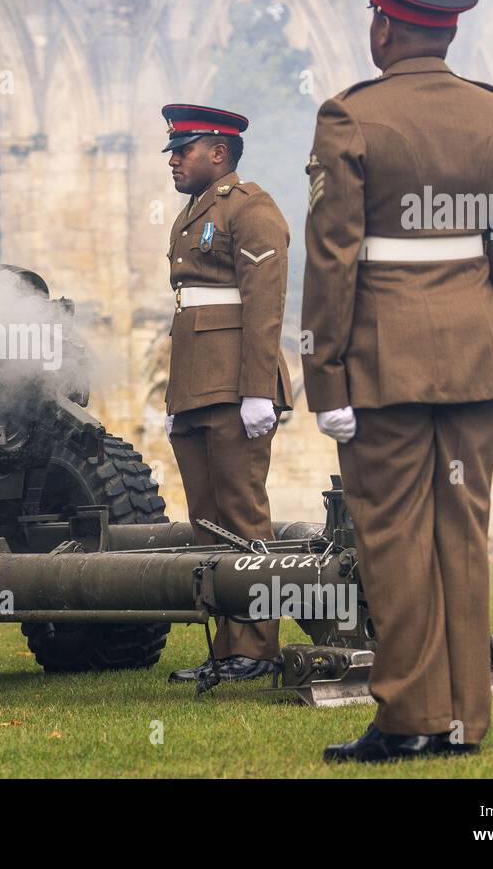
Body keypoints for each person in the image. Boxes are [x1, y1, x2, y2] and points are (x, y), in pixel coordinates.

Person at [302, 0, 493, 762]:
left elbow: (332, 261)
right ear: (445, 32)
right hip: (478, 359)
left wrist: (324, 375)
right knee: (461, 534)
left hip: (385, 361)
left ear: (384, 25)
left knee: (394, 537)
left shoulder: (349, 115)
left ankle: (410, 716)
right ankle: (465, 718)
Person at [158, 104, 293, 687]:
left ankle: (258, 647)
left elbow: (264, 308)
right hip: (196, 386)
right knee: (208, 524)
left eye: (182, 149)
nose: (172, 159)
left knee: (243, 515)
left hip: (236, 387)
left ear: (218, 152)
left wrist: (258, 392)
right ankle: (225, 648)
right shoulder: (191, 215)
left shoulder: (251, 208)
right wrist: (175, 399)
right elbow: (189, 312)